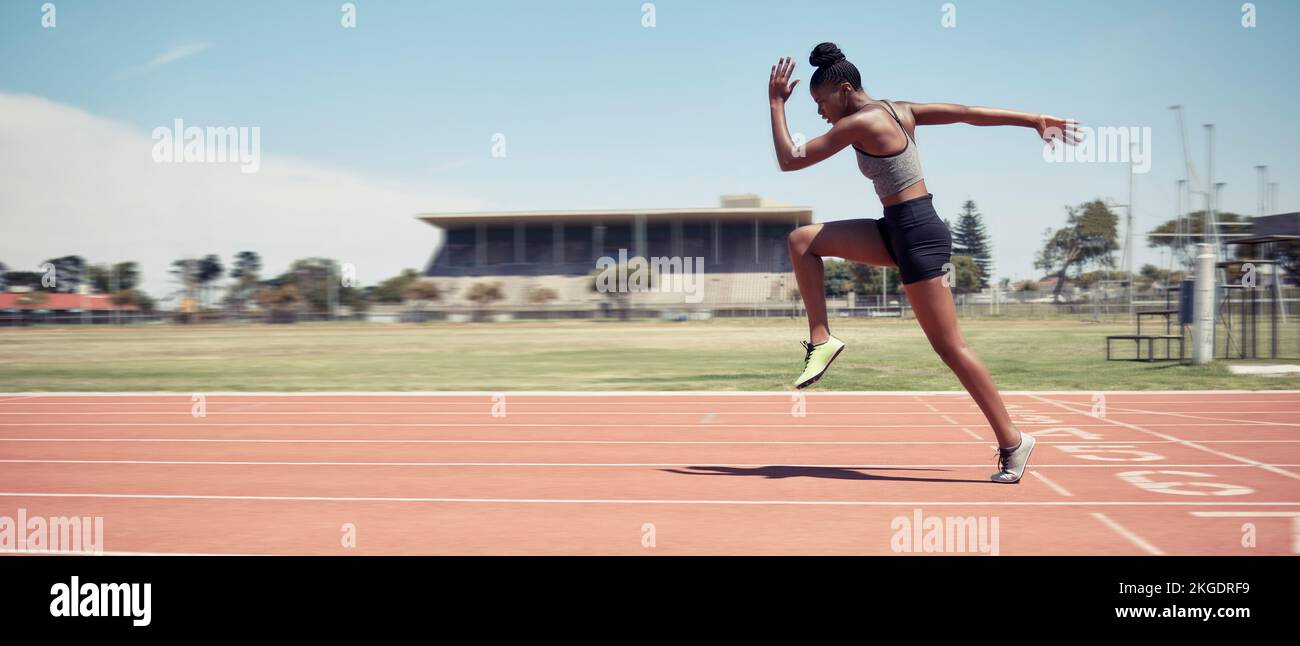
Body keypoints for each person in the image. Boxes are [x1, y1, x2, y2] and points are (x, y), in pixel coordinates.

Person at [768, 42, 1080, 483]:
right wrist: (1031, 119)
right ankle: (822, 338)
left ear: (843, 89)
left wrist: (776, 104)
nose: (819, 112)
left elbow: (789, 159)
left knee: (950, 347)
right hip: (897, 226)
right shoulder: (898, 109)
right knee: (802, 241)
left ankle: (1013, 441)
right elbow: (967, 112)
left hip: (917, 234)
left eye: (820, 103)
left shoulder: (864, 122)